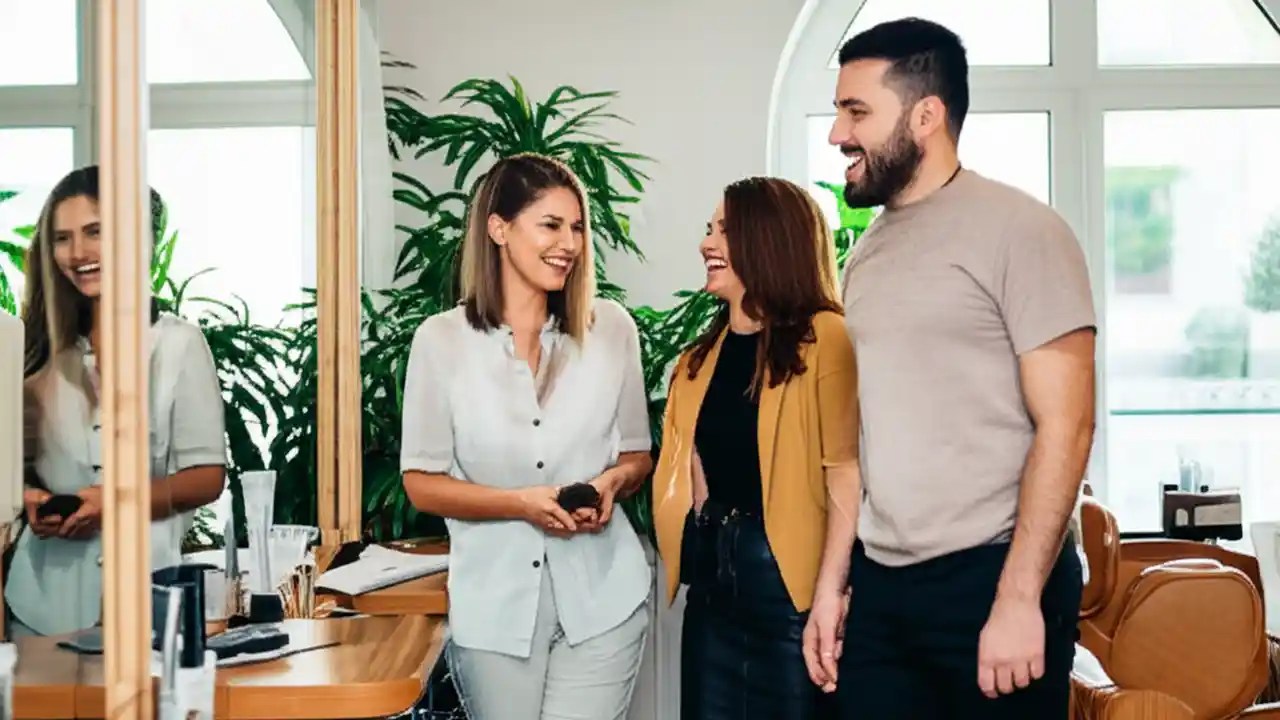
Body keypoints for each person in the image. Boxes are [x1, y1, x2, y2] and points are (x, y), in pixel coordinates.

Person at [804, 17, 1097, 719]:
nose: (837, 134)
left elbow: (1069, 423)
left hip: (991, 578)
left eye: (857, 112)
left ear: (926, 115)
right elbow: (864, 441)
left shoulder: (1022, 230)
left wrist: (1020, 597)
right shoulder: (867, 252)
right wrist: (833, 585)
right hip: (884, 589)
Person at [399, 153, 653, 720]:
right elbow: (421, 481)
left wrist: (613, 483)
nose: (570, 242)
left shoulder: (612, 329)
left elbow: (637, 452)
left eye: (578, 227)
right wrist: (520, 505)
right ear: (498, 228)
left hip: (605, 601)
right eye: (551, 224)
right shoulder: (440, 342)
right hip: (494, 614)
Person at [651, 176, 860, 720]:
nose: (706, 243)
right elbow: (696, 471)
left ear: (769, 240)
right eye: (708, 228)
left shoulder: (825, 337)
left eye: (725, 229)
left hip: (792, 597)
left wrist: (832, 594)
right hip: (714, 595)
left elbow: (845, 475)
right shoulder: (698, 360)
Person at [7, 165, 228, 638]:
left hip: (148, 606)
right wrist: (26, 496)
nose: (78, 253)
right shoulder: (32, 349)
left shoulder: (179, 345)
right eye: (62, 238)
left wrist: (114, 501)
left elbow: (206, 478)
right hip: (38, 608)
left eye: (95, 232)